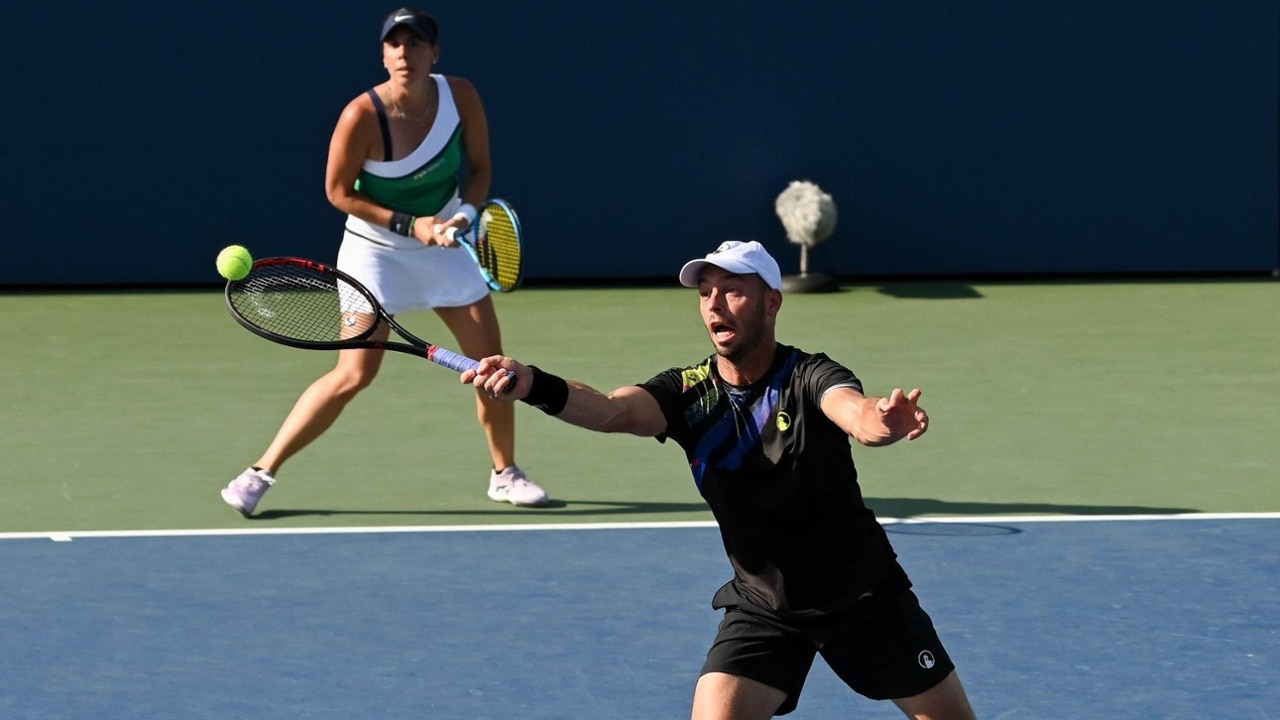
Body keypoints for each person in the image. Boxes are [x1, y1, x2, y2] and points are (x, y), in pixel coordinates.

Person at [463, 240, 979, 719]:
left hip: (862, 599)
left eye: (733, 291)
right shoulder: (687, 394)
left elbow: (855, 413)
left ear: (772, 304)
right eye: (706, 293)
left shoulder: (809, 376)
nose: (715, 305)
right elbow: (611, 411)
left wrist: (882, 423)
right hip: (765, 607)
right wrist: (535, 384)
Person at [220, 8, 549, 516]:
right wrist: (409, 224)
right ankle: (259, 473)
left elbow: (480, 171)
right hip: (374, 254)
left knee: (491, 368)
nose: (404, 54)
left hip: (446, 245)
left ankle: (505, 473)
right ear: (382, 54)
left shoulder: (461, 97)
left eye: (416, 44)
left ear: (433, 53)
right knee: (354, 373)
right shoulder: (361, 116)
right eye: (394, 45)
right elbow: (337, 192)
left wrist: (462, 215)